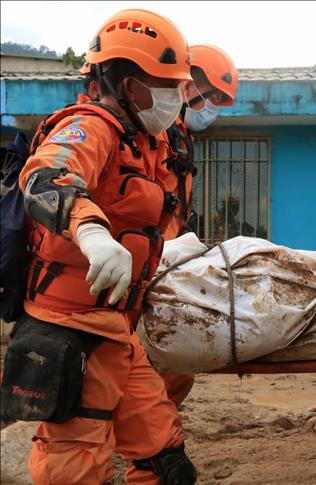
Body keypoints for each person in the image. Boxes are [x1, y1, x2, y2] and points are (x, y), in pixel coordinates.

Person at [12, 9, 197, 484]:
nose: (177, 97)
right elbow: (46, 176)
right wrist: (92, 233)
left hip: (116, 329)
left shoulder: (146, 142)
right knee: (74, 465)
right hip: (69, 328)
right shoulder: (89, 127)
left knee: (166, 463)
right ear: (130, 85)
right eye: (167, 85)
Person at [158, 43, 239, 409]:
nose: (212, 109)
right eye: (212, 97)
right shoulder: (155, 132)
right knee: (161, 369)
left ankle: (153, 430)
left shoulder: (177, 135)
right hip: (144, 261)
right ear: (190, 85)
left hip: (160, 260)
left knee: (174, 369)